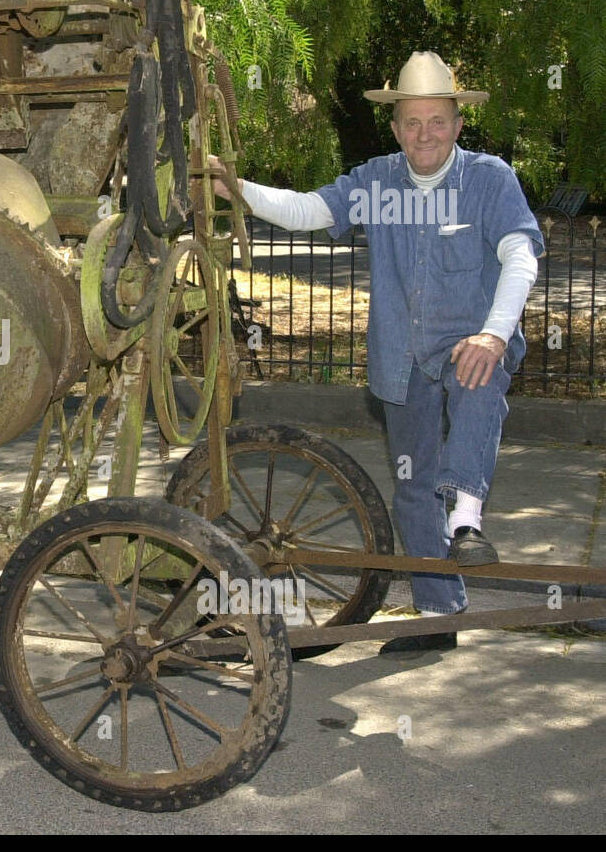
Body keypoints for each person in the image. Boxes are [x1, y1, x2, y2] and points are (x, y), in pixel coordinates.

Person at [209, 51, 543, 657]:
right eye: (411, 122)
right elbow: (310, 211)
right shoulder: (376, 180)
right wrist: (237, 189)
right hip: (403, 357)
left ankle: (466, 521)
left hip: (470, 345)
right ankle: (437, 616)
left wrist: (494, 333)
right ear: (395, 128)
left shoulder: (489, 179)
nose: (424, 134)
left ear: (457, 122)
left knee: (479, 381)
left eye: (436, 121)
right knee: (413, 486)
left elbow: (520, 255)